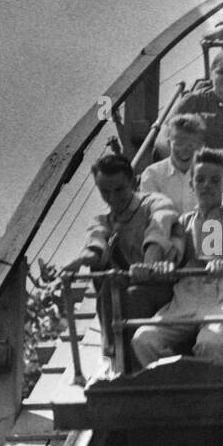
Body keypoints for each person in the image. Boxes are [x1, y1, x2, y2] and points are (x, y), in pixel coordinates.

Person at [62, 152, 179, 372]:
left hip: (162, 285)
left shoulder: (154, 203)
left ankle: (136, 371)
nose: (113, 199)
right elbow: (96, 245)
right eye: (105, 192)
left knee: (135, 295)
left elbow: (158, 232)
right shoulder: (105, 220)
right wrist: (77, 262)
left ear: (133, 182)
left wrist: (148, 264)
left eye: (119, 190)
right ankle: (114, 357)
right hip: (127, 287)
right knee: (109, 286)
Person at [131, 149, 223, 369]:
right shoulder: (183, 222)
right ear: (191, 184)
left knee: (211, 343)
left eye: (214, 180)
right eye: (200, 179)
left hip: (221, 296)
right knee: (144, 339)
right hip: (185, 298)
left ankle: (218, 393)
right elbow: (174, 253)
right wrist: (160, 266)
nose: (206, 185)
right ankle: (176, 384)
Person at [139, 112, 205, 215]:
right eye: (179, 144)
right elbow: (153, 217)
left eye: (191, 145)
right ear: (169, 144)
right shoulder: (152, 175)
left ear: (201, 146)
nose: (184, 150)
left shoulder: (212, 173)